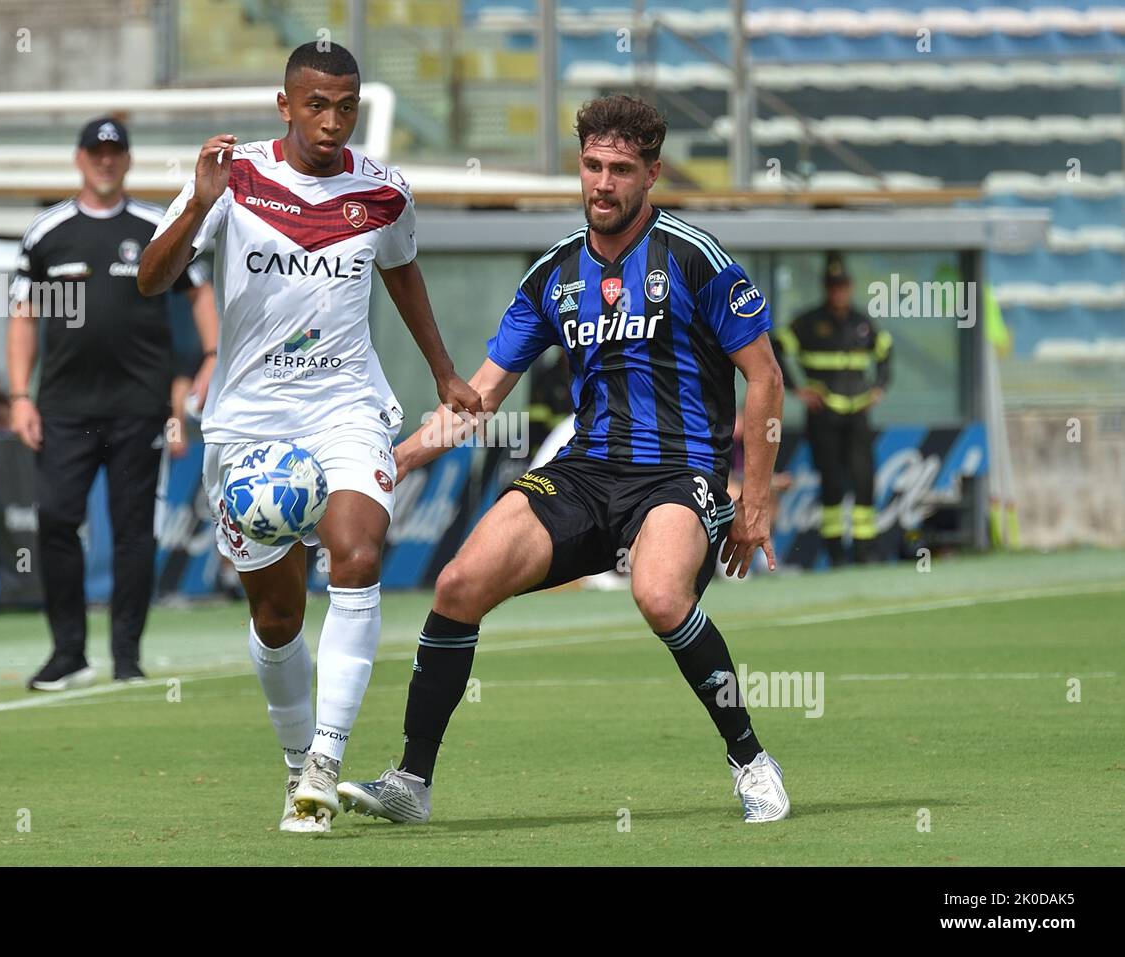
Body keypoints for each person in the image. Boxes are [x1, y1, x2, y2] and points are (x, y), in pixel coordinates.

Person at [338, 94, 792, 825]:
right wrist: (390, 462)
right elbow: (478, 397)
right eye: (591, 165)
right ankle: (411, 783)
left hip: (680, 473)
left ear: (651, 175)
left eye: (620, 169)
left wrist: (757, 499)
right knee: (458, 582)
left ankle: (750, 760)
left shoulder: (696, 258)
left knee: (660, 595)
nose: (602, 183)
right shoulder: (552, 274)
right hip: (585, 472)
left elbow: (765, 375)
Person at [137, 42, 481, 834]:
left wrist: (442, 370)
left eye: (346, 105)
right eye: (316, 105)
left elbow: (402, 270)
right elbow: (151, 279)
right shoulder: (235, 177)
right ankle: (296, 763)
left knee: (359, 553)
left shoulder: (385, 191)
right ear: (285, 105)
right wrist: (196, 203)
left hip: (345, 407)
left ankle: (327, 757)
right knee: (278, 618)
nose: (331, 122)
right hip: (249, 424)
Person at [7, 115, 220, 692]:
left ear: (127, 160)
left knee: (132, 531)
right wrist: (20, 396)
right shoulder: (47, 233)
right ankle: (67, 654)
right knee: (55, 520)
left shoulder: (155, 224)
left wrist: (211, 356)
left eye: (115, 152)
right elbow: (23, 317)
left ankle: (127, 656)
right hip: (64, 408)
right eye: (95, 152)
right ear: (79, 158)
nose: (105, 161)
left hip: (139, 407)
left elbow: (198, 290)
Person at [773, 254, 892, 565]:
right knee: (833, 482)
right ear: (826, 288)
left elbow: (886, 351)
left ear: (849, 287)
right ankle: (836, 552)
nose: (838, 292)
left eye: (842, 286)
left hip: (857, 413)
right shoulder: (809, 322)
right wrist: (797, 389)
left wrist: (878, 386)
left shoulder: (861, 322)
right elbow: (774, 348)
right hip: (824, 415)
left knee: (864, 480)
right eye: (833, 286)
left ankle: (866, 550)